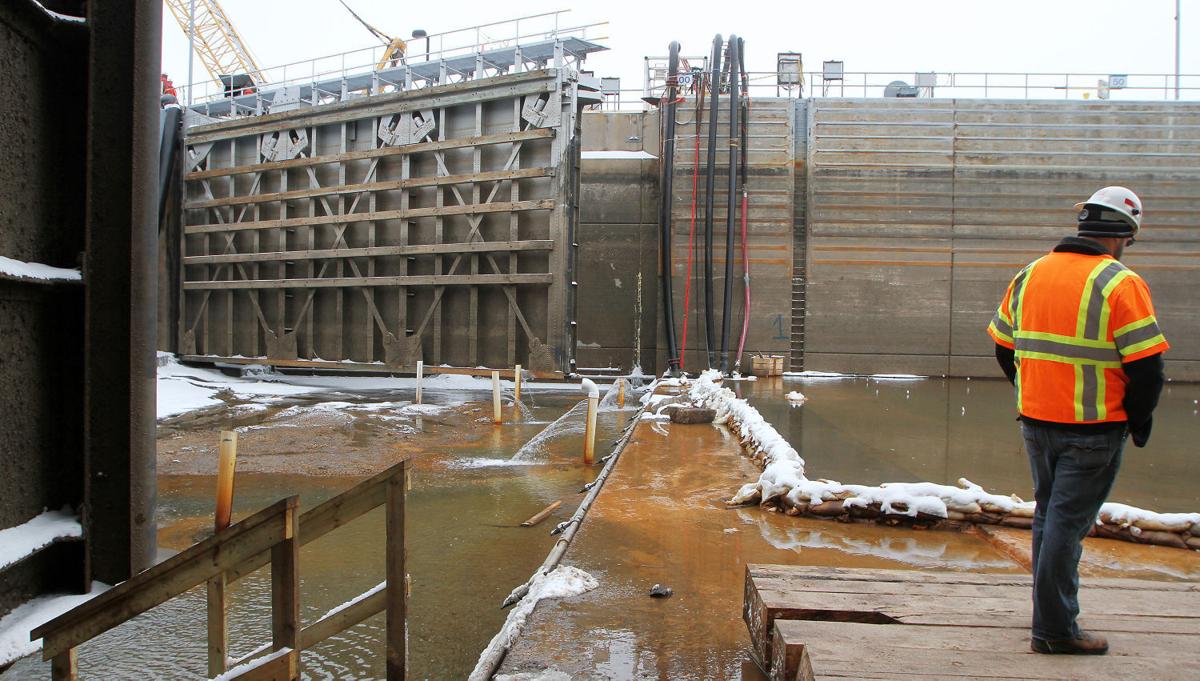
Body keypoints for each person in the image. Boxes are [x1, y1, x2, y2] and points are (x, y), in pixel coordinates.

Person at [987, 186, 1168, 655]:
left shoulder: (1031, 273)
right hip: (1093, 431)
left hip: (1036, 422)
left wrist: (1033, 392)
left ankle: (1049, 615)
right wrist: (1139, 419)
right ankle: (1053, 631)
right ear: (1124, 235)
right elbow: (1147, 367)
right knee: (1065, 526)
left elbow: (1004, 348)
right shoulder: (1120, 283)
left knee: (1049, 517)